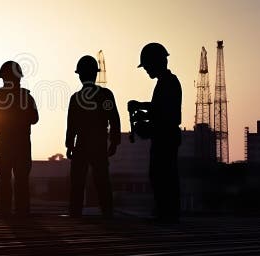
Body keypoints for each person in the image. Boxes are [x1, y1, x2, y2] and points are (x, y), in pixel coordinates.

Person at [128, 43, 182, 224]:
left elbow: (164, 113)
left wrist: (142, 112)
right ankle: (165, 213)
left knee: (163, 176)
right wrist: (142, 110)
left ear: (155, 62)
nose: (146, 71)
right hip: (164, 136)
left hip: (165, 137)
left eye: (147, 66)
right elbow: (159, 110)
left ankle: (167, 214)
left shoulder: (168, 83)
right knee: (161, 176)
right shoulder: (165, 83)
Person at [65, 55, 121, 218]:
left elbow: (71, 124)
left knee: (77, 181)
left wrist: (69, 145)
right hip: (99, 144)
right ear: (95, 74)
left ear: (80, 75)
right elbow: (114, 119)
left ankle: (75, 212)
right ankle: (107, 212)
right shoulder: (105, 95)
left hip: (81, 144)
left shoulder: (75, 98)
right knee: (102, 179)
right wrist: (114, 142)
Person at [0, 61, 39, 217]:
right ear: (18, 78)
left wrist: (3, 119)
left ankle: (4, 209)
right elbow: (35, 118)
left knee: (3, 178)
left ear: (3, 78)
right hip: (21, 144)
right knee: (21, 178)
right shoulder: (26, 97)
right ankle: (22, 210)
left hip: (3, 144)